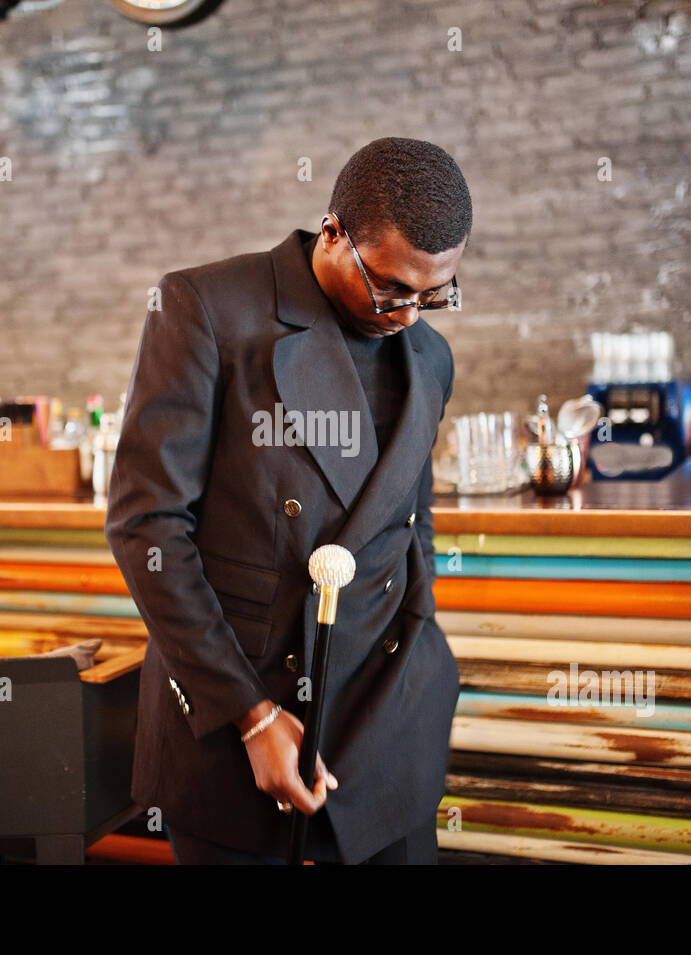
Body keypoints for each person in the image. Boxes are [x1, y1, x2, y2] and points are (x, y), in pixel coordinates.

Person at [105, 137, 471, 864]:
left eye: (435, 295)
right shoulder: (207, 309)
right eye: (391, 288)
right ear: (333, 232)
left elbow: (412, 518)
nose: (408, 315)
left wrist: (422, 627)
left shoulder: (430, 355)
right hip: (244, 721)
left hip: (388, 719)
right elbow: (147, 525)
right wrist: (249, 715)